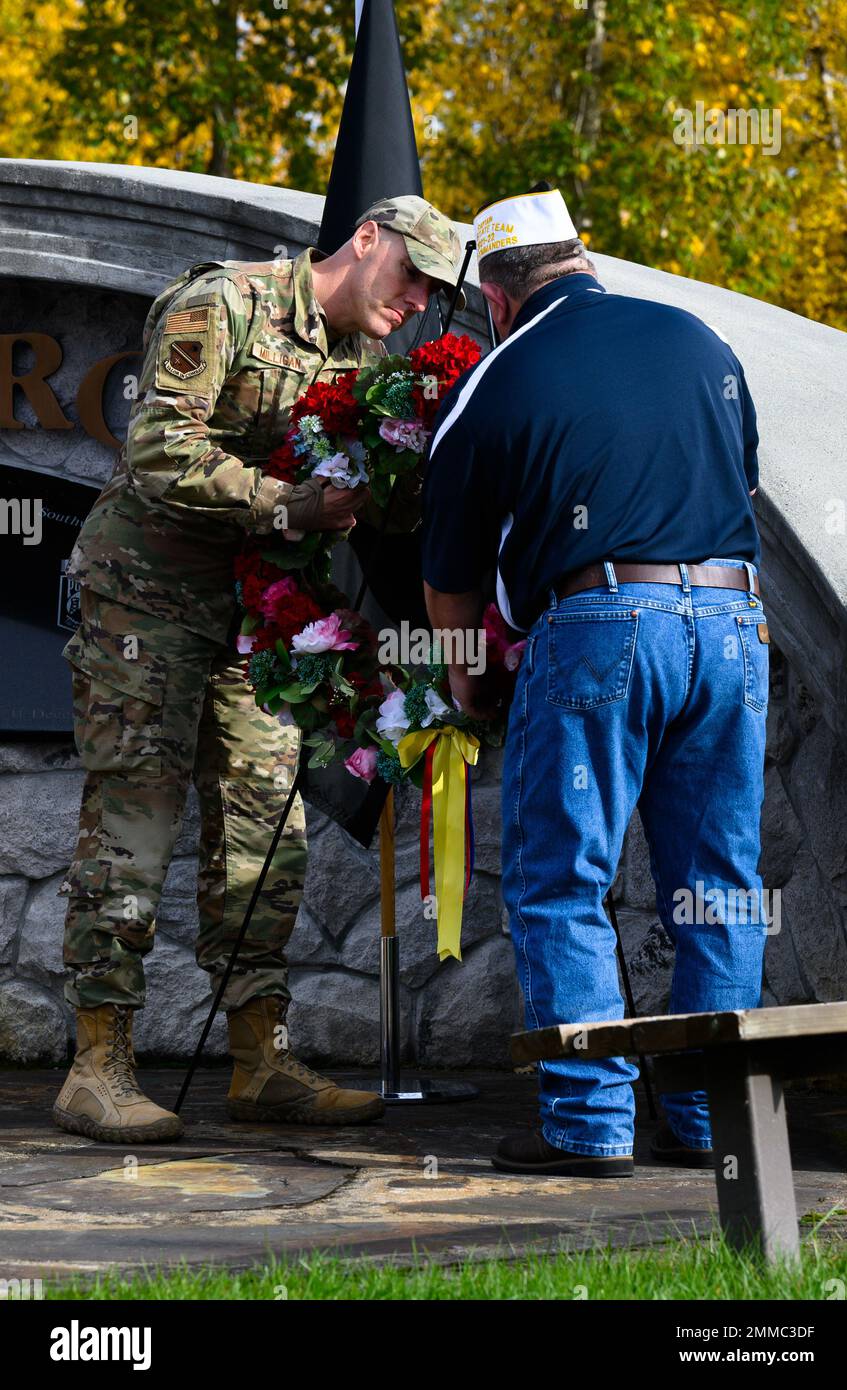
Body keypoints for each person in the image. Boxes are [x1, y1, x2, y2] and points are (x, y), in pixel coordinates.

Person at [54, 195, 465, 1144]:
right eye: (410, 279)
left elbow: (372, 495)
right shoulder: (224, 303)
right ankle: (96, 1063)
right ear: (366, 241)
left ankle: (260, 1057)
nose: (415, 307)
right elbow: (160, 449)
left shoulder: (364, 362)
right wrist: (292, 505)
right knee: (135, 817)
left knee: (262, 826)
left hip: (256, 612)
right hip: (144, 601)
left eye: (435, 297)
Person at [422, 187, 769, 1177]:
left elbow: (449, 572)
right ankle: (712, 1122)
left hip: (600, 628)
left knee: (562, 881)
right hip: (735, 624)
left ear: (496, 291)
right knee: (720, 887)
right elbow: (737, 486)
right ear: (583, 257)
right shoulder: (702, 340)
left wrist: (469, 682)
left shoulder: (500, 373)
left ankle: (586, 1126)